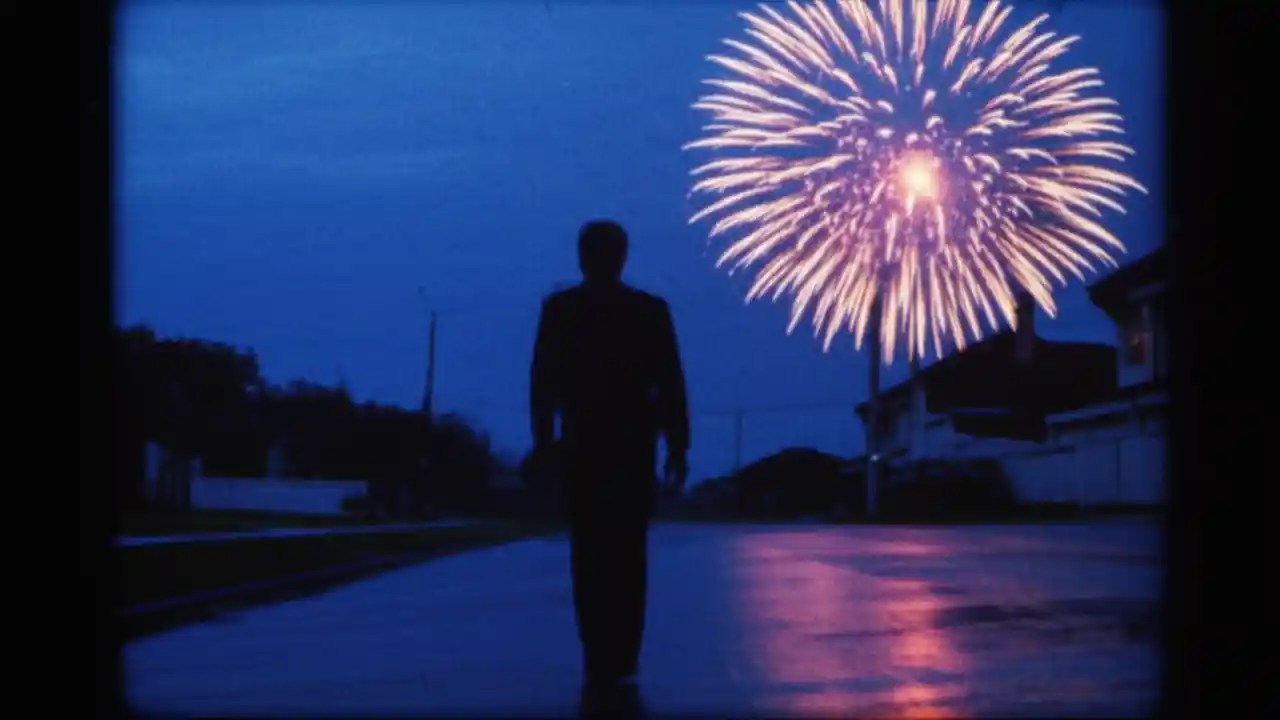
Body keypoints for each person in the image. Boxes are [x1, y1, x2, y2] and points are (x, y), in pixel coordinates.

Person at [529, 219, 690, 696]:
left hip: (584, 445)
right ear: (623, 256)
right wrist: (677, 445)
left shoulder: (561, 310)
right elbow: (671, 384)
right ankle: (622, 651)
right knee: (627, 554)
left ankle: (598, 652)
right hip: (631, 447)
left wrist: (545, 445)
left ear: (582, 257)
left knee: (589, 554)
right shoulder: (649, 311)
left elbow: (542, 386)